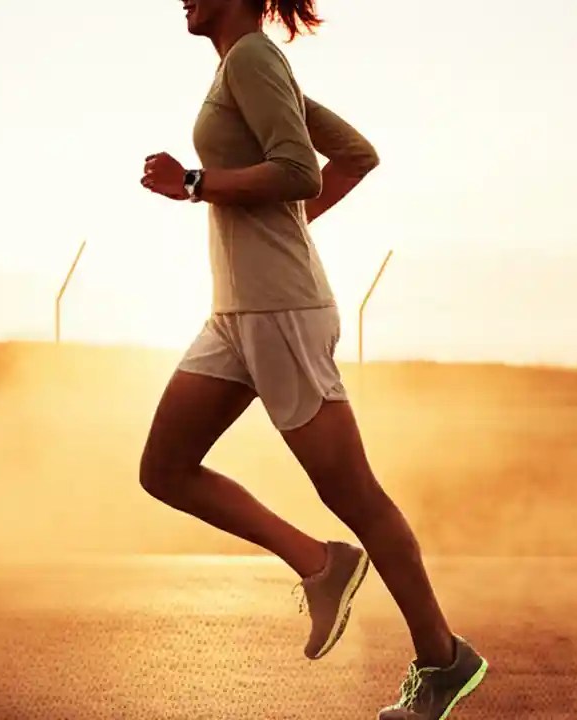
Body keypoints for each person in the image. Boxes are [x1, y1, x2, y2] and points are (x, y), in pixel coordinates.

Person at [138, 1, 488, 717]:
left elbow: (298, 169)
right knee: (165, 469)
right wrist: (277, 226)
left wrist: (198, 184)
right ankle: (320, 562)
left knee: (355, 493)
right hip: (235, 315)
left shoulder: (254, 59)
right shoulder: (250, 69)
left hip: (282, 315)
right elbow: (357, 153)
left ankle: (443, 659)